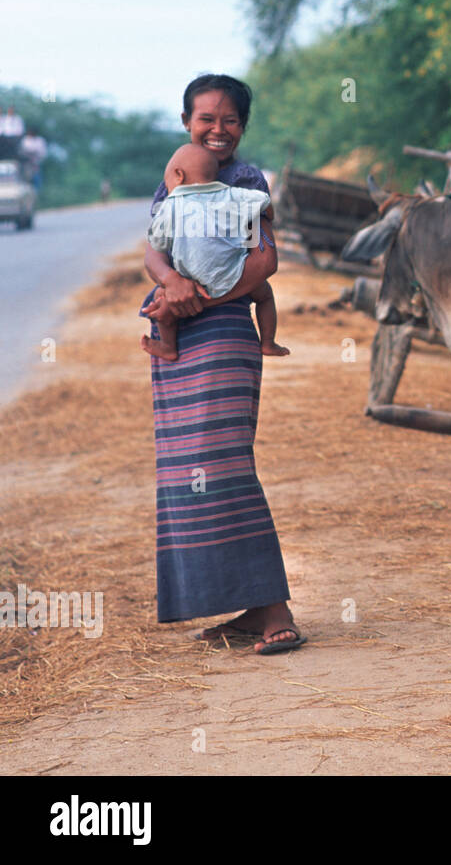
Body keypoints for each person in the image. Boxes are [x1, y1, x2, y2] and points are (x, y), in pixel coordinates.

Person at [140, 73, 304, 655]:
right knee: (188, 471)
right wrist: (172, 283)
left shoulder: (245, 181)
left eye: (229, 120)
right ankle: (250, 607)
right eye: (206, 118)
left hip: (224, 332)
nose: (217, 129)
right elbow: (153, 251)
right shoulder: (176, 174)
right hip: (175, 339)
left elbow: (265, 262)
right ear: (187, 121)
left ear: (243, 127)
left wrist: (199, 295)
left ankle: (276, 605)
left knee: (224, 461)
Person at [142, 143, 288, 362]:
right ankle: (267, 341)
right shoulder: (233, 195)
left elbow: (156, 241)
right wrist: (270, 214)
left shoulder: (170, 205)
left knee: (159, 297)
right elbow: (264, 203)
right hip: (235, 276)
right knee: (265, 295)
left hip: (191, 283)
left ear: (178, 176)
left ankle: (168, 346)